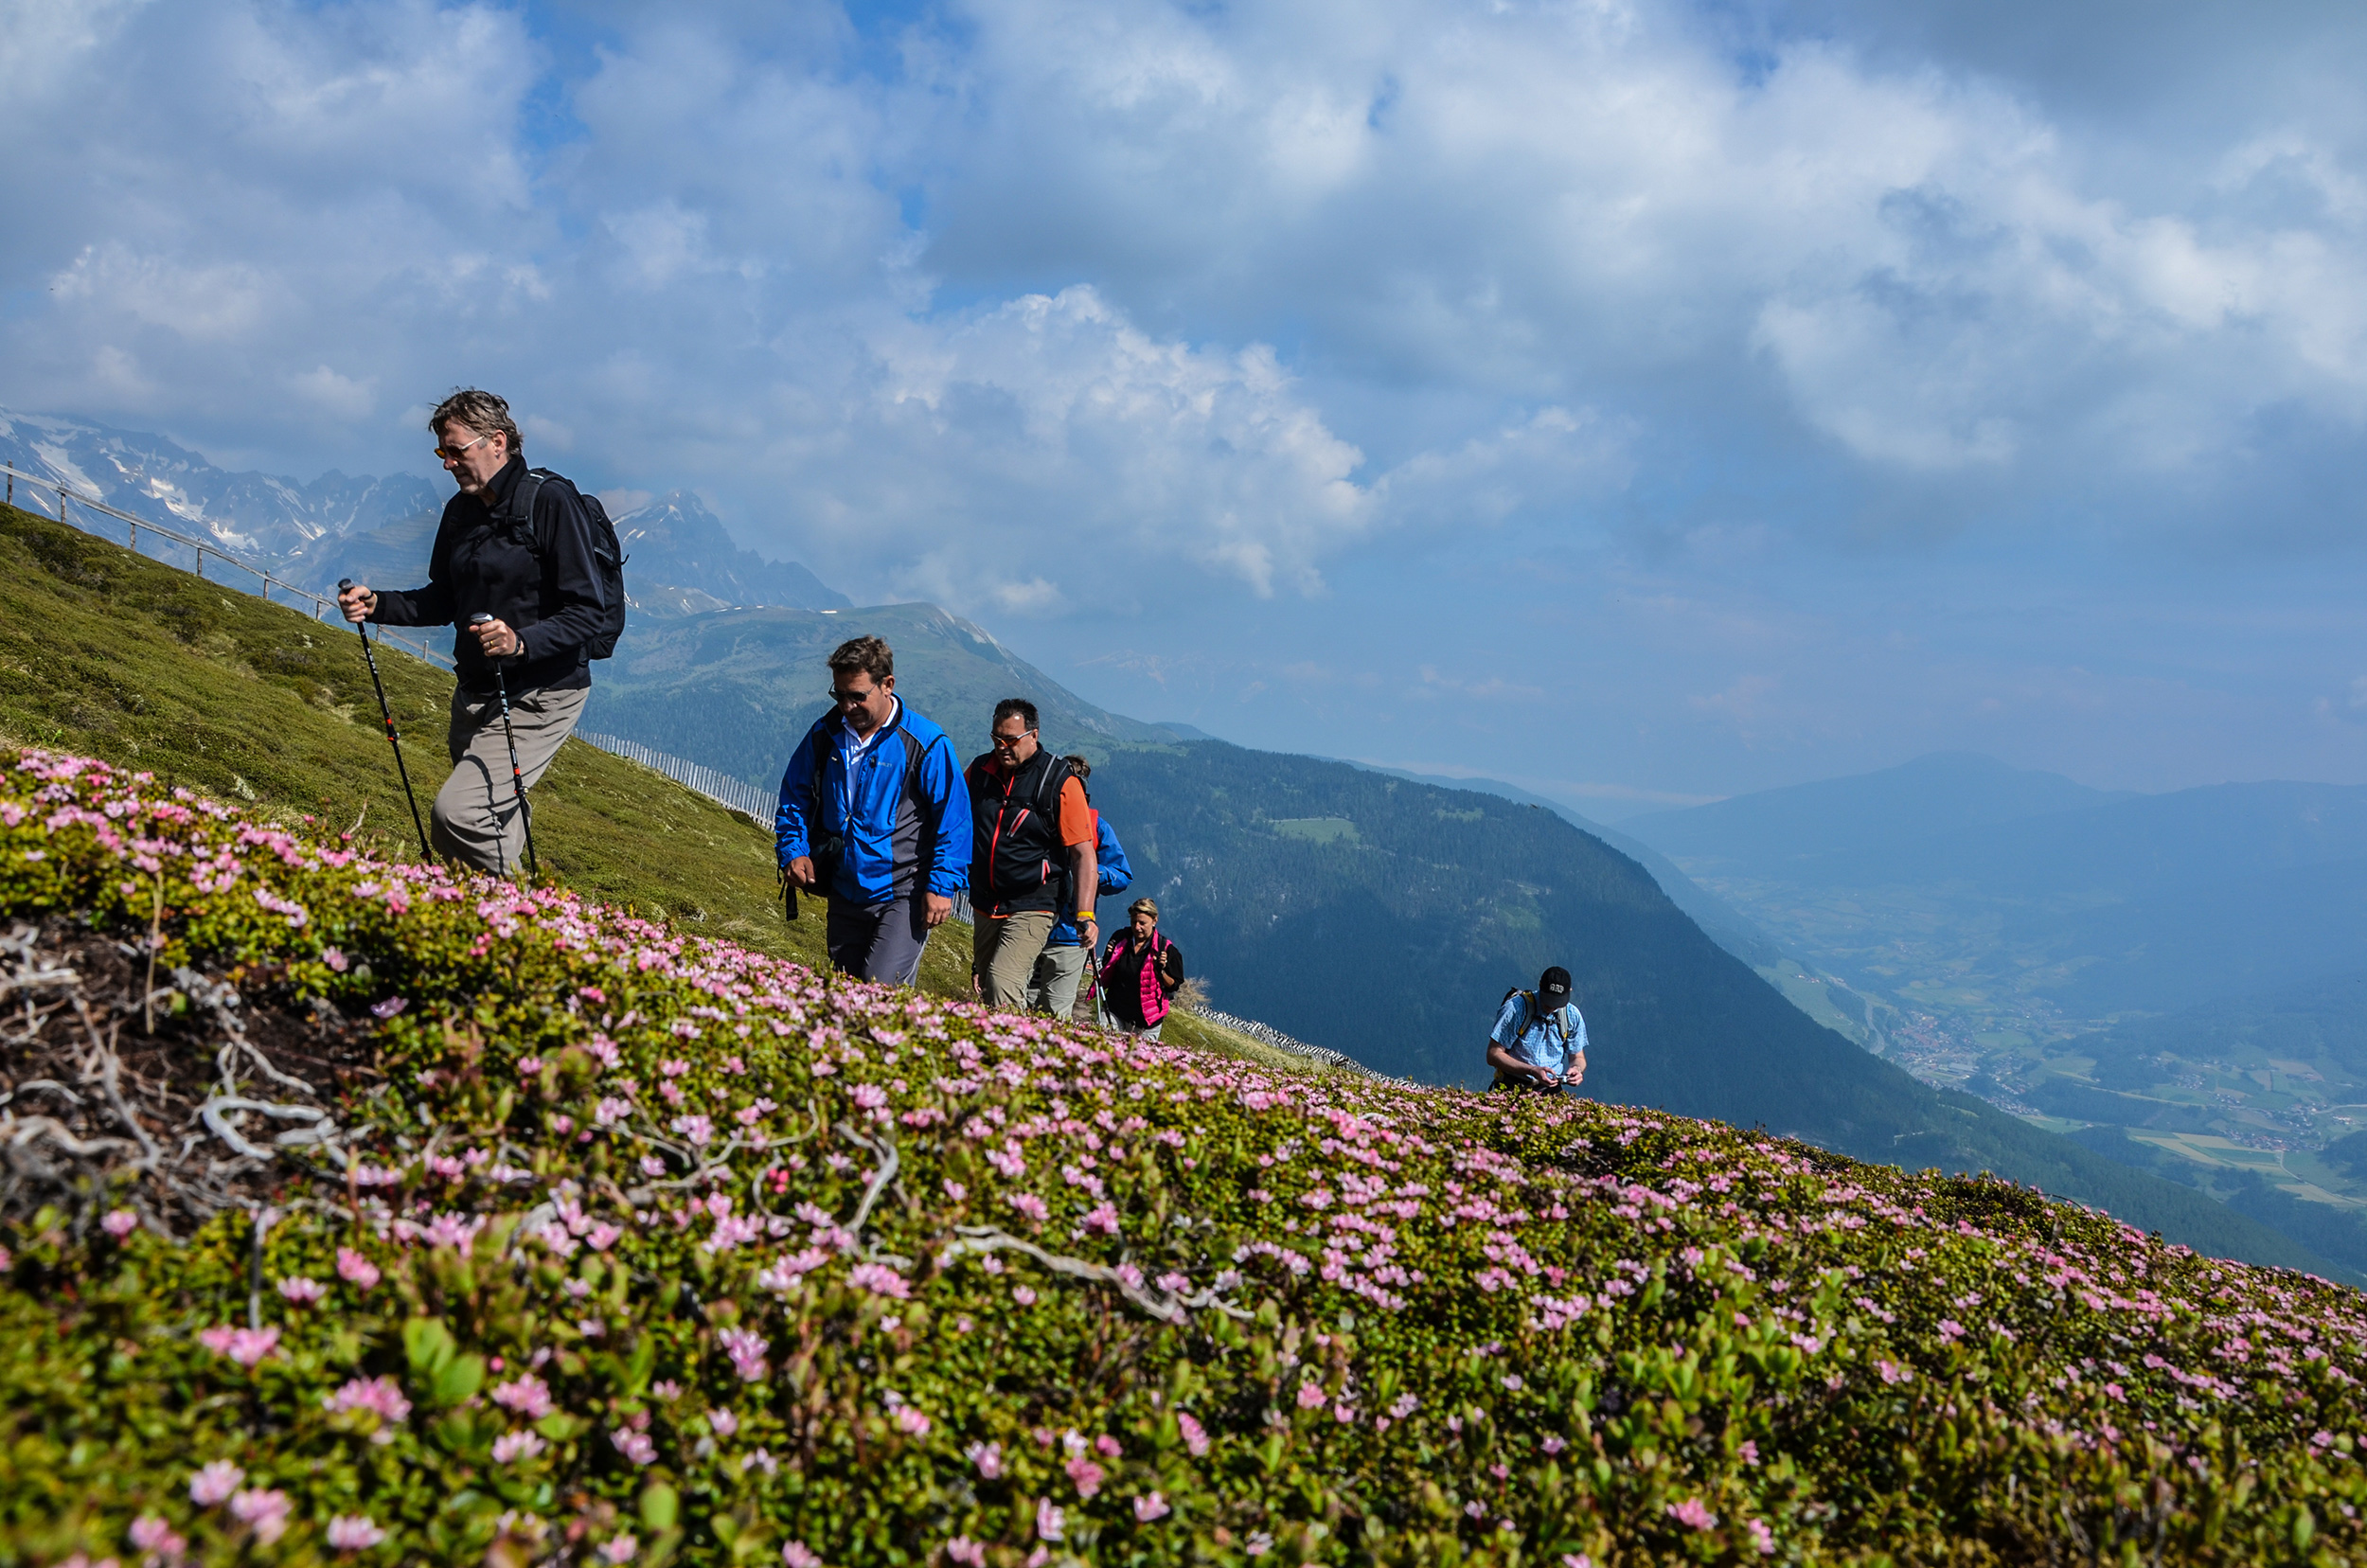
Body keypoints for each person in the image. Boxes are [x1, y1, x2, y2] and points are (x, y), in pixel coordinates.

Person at [339, 389, 610, 878]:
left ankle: (527, 920)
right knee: (492, 826)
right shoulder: (460, 512)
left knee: (458, 816)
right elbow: (443, 599)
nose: (447, 463)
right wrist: (377, 604)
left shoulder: (549, 502)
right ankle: (494, 940)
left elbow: (588, 610)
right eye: (442, 452)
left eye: (456, 450)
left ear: (497, 442)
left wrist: (520, 642)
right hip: (475, 693)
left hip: (543, 691)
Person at [776, 636, 969, 986]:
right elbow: (794, 796)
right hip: (844, 886)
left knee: (880, 987)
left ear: (887, 685)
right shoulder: (825, 733)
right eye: (839, 695)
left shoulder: (925, 743)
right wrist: (794, 850)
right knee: (845, 990)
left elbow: (953, 822)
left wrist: (941, 887)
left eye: (857, 695)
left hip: (903, 891)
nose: (847, 706)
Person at [967, 700, 1097, 1008]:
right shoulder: (979, 771)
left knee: (1003, 982)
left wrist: (1085, 913)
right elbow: (954, 821)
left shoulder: (1059, 781)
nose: (1002, 747)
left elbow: (1083, 854)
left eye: (1011, 740)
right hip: (986, 900)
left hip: (1034, 901)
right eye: (996, 738)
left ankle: (1010, 1053)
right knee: (987, 985)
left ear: (1033, 735)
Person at [1025, 756, 1132, 1020]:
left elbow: (1122, 876)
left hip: (1061, 933)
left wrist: (1090, 873)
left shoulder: (1097, 828)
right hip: (1039, 928)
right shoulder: (1040, 819)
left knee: (1037, 1010)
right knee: (1038, 1009)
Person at [1486, 966, 1589, 1093]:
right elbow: (1493, 1054)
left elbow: (1578, 1057)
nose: (1551, 1007)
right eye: (1548, 1001)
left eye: (1557, 1003)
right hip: (1512, 1085)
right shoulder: (1515, 1009)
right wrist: (1531, 1070)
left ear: (1569, 991)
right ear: (1540, 986)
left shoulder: (1572, 1015)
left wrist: (1577, 1069)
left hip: (1551, 1088)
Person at [1098, 898, 1184, 1040]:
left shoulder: (1167, 950)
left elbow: (1174, 985)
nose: (1137, 927)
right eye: (1133, 922)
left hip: (1146, 1022)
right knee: (1102, 1046)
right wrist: (1108, 956)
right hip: (1114, 1010)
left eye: (1142, 923)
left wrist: (1160, 971)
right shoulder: (1120, 938)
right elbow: (1108, 967)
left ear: (1154, 920)